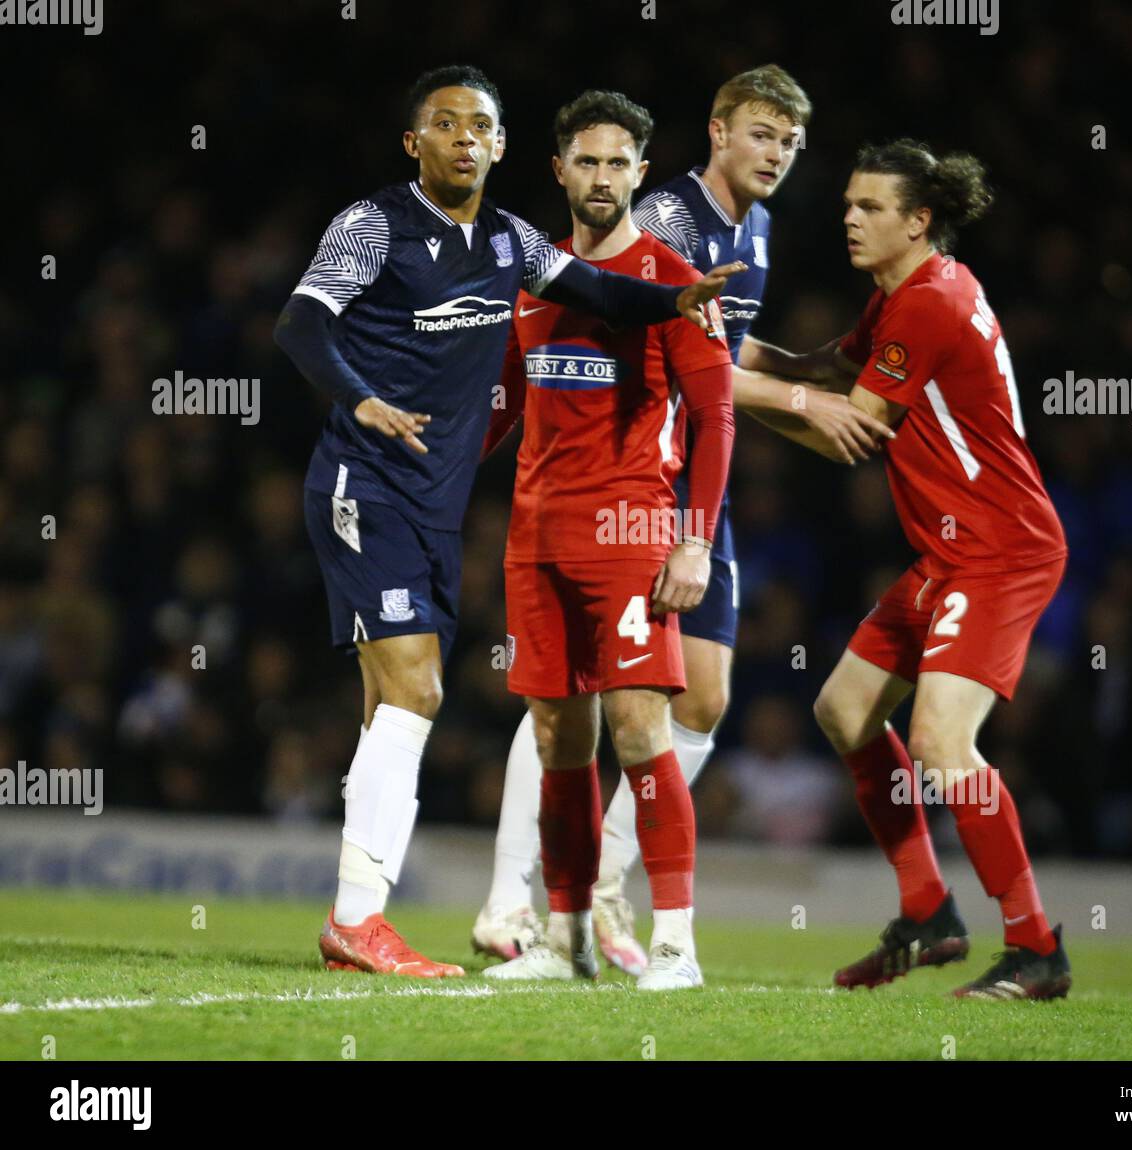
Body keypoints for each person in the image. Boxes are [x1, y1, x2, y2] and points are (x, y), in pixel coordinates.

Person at [274, 64, 739, 978]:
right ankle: (367, 920)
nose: (462, 139)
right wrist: (361, 401)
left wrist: (676, 302)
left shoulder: (514, 246)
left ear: (500, 146)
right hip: (386, 490)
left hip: (531, 521)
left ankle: (650, 939)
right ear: (417, 142)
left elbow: (615, 306)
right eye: (443, 124)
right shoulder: (375, 226)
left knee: (406, 709)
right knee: (423, 697)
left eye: (478, 126)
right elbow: (300, 326)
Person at [474, 65, 892, 974]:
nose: (776, 153)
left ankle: (624, 902)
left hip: (654, 500)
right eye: (761, 133)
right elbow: (660, 346)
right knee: (571, 715)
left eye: (790, 141)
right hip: (602, 502)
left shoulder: (756, 229)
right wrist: (804, 402)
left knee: (683, 704)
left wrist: (800, 373)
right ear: (715, 130)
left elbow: (709, 359)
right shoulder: (661, 224)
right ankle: (529, 901)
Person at [746, 139, 1073, 1000]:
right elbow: (822, 369)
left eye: (871, 208)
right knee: (846, 711)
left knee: (937, 741)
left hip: (999, 549)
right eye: (848, 204)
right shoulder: (907, 294)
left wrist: (723, 393)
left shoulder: (928, 304)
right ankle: (928, 909)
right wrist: (729, 353)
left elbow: (843, 430)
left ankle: (1037, 947)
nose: (850, 218)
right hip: (949, 552)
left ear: (919, 220)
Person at [478, 91, 733, 990]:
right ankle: (566, 938)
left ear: (640, 172)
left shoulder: (674, 283)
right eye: (585, 161)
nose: (600, 177)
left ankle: (675, 944)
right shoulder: (533, 276)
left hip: (629, 534)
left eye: (617, 162)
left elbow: (716, 417)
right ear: (557, 169)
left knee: (637, 725)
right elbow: (506, 399)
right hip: (536, 537)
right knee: (557, 739)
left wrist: (694, 542)